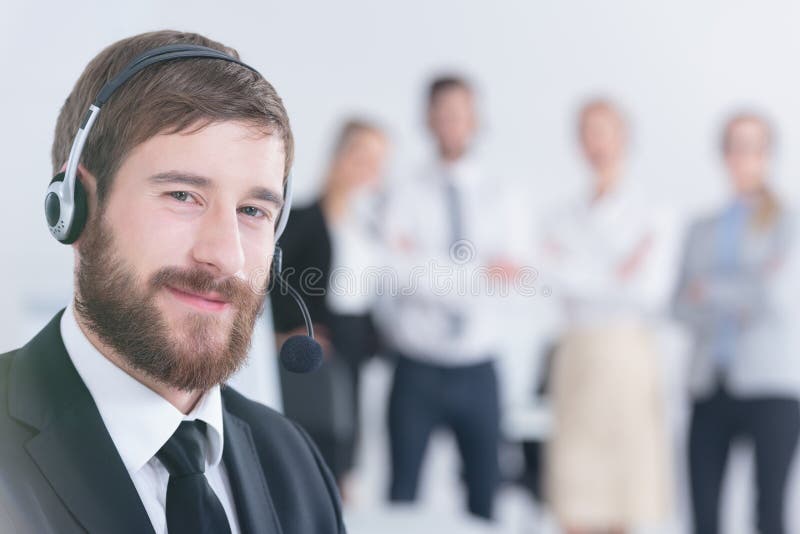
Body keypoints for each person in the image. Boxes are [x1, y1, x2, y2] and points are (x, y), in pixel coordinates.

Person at [0, 30, 345, 534]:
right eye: (183, 195)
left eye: (253, 210)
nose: (225, 256)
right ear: (75, 207)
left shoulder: (295, 464)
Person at [375, 75, 513, 520]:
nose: (452, 122)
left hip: (479, 367)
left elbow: (516, 277)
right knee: (402, 495)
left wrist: (426, 265)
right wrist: (478, 274)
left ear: (476, 119)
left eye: (461, 113)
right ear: (428, 119)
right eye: (443, 112)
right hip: (416, 367)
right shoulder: (403, 191)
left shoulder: (504, 194)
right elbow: (394, 272)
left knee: (485, 497)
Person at [541, 99, 673, 533]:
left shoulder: (653, 211)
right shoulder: (560, 213)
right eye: (587, 132)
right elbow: (548, 279)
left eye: (604, 130)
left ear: (625, 137)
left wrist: (576, 270)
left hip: (626, 357)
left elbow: (648, 292)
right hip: (577, 354)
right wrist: (615, 271)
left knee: (622, 494)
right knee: (574, 496)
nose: (596, 142)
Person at [673, 112, 800, 534]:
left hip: (771, 385)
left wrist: (707, 288)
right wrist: (745, 289)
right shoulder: (701, 227)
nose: (742, 156)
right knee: (703, 513)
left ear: (768, 154)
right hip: (709, 382)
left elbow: (777, 296)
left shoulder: (789, 222)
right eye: (733, 146)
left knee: (770, 513)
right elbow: (678, 304)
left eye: (752, 147)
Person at [270, 119, 389, 493]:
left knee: (348, 451)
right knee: (316, 445)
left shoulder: (370, 225)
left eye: (379, 160)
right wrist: (284, 334)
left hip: (356, 345)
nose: (370, 168)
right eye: (362, 156)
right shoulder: (305, 217)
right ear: (340, 155)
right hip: (321, 343)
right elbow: (273, 280)